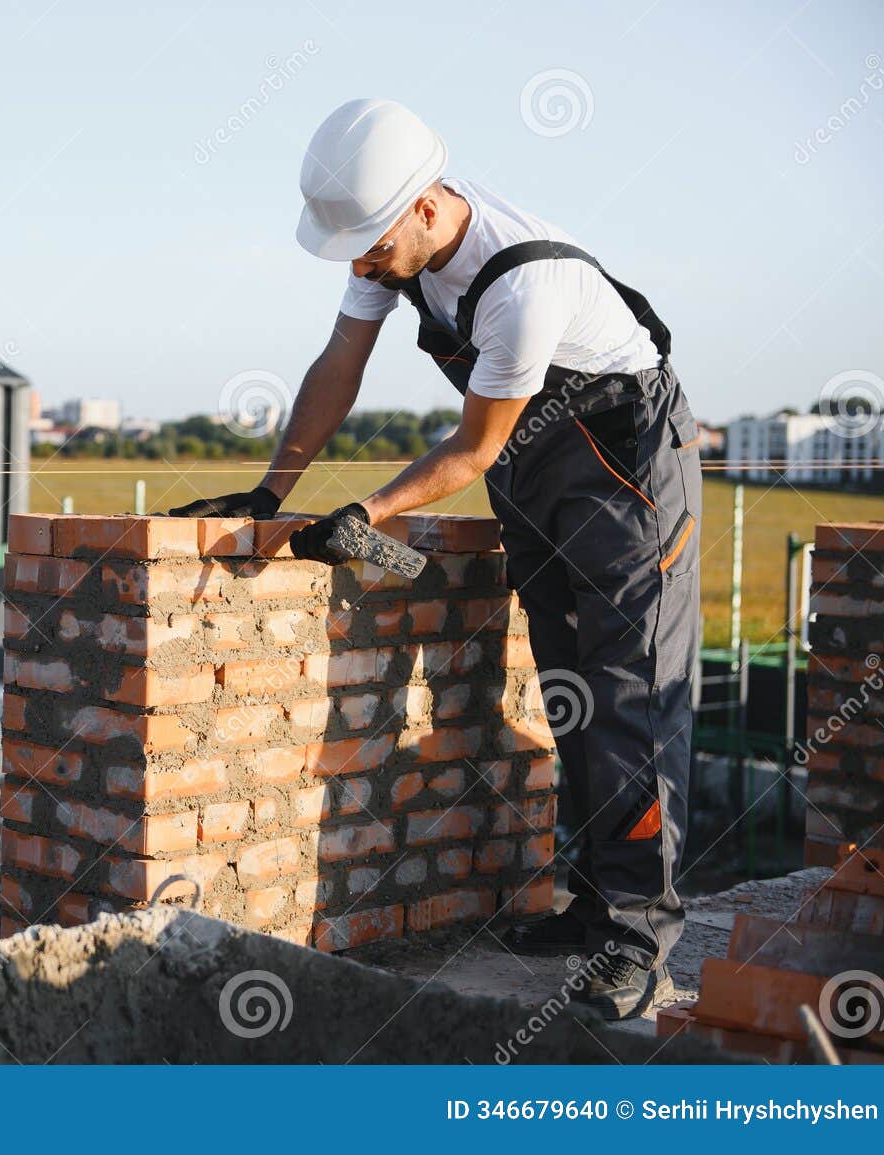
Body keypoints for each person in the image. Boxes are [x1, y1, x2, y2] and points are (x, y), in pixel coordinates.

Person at [170, 99, 701, 1020]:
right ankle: (594, 908)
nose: (360, 263)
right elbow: (341, 361)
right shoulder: (392, 250)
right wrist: (270, 489)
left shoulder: (521, 286)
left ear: (426, 205)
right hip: (538, 464)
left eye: (370, 243)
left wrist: (367, 510)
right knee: (570, 678)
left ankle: (640, 938)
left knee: (631, 690)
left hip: (625, 467)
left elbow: (472, 448)